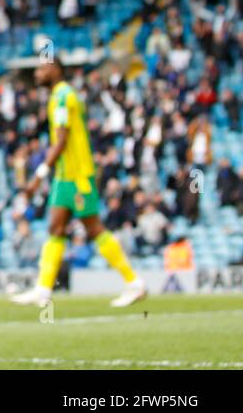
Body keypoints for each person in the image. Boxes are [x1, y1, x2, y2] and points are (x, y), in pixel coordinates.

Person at [10, 59, 145, 308]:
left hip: (77, 176)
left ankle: (134, 282)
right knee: (55, 228)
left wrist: (38, 176)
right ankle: (43, 289)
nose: (37, 73)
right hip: (64, 177)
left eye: (42, 68)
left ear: (56, 69)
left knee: (93, 229)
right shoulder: (57, 96)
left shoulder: (63, 96)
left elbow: (60, 141)